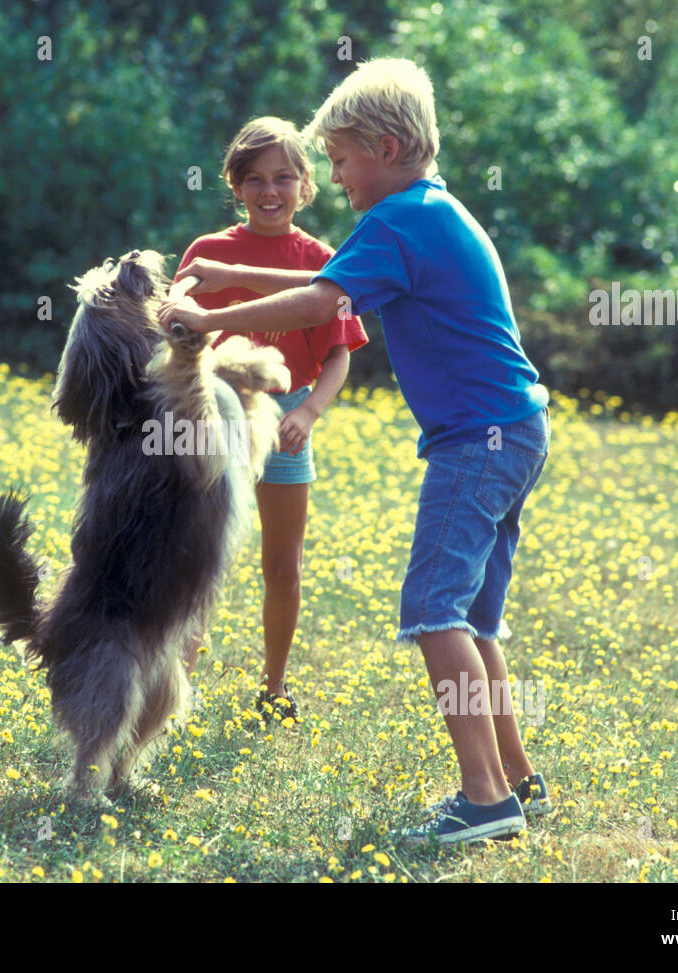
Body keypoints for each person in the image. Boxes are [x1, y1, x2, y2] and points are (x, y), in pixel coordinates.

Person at [160, 60, 552, 845]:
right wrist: (226, 273)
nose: (332, 177)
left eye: (339, 160)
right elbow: (321, 279)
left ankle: (484, 800)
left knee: (434, 611)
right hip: (515, 429)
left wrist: (201, 322)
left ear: (387, 145)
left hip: (477, 440)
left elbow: (318, 298)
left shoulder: (399, 220)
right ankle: (516, 778)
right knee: (473, 620)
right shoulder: (432, 210)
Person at [178, 116, 367, 725]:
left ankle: (274, 685)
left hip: (286, 419)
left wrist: (310, 410)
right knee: (194, 553)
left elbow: (339, 353)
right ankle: (176, 682)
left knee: (282, 565)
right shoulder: (208, 254)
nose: (269, 190)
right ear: (235, 187)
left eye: (284, 177)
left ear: (306, 185)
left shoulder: (323, 260)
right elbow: (177, 333)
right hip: (215, 414)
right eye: (254, 178)